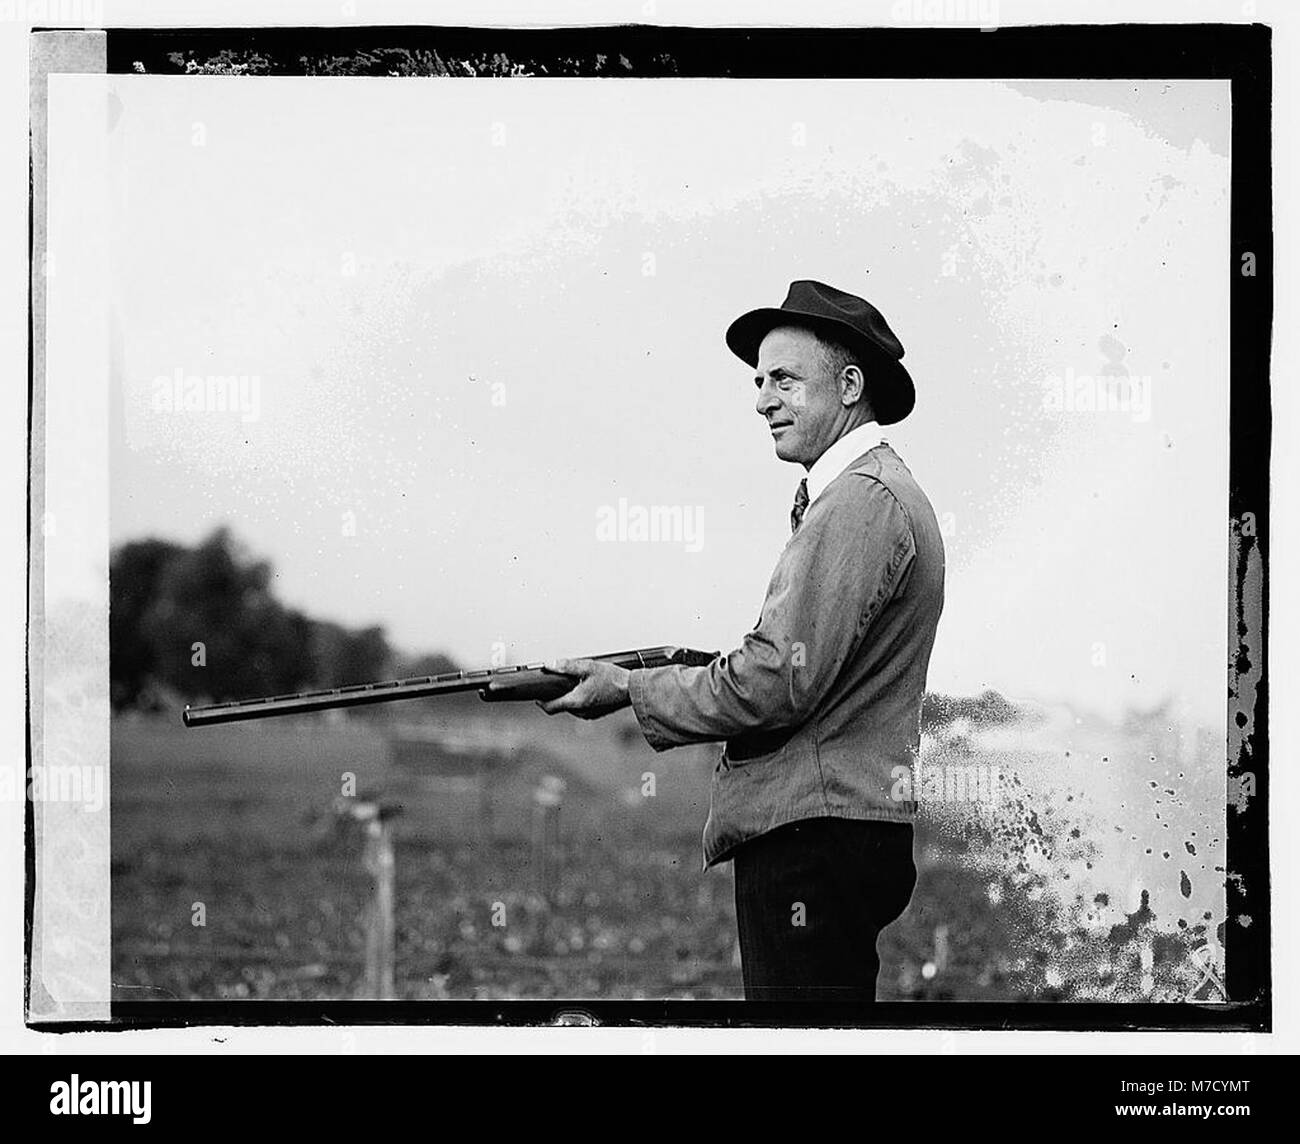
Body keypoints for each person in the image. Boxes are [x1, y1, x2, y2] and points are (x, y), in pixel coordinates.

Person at [538, 280, 946, 1001]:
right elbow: (808, 667)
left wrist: (631, 688)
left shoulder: (859, 500)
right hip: (833, 828)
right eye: (759, 381)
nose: (761, 400)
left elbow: (777, 681)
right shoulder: (862, 495)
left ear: (850, 386)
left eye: (784, 379)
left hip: (812, 838)